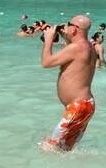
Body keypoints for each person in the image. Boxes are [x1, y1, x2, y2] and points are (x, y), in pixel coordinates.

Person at [40, 15, 98, 152]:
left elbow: (46, 62)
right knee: (63, 151)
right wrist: (65, 35)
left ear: (75, 29)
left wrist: (48, 40)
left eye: (69, 24)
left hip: (78, 107)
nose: (66, 26)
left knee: (48, 149)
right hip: (85, 105)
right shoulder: (88, 46)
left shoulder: (76, 48)